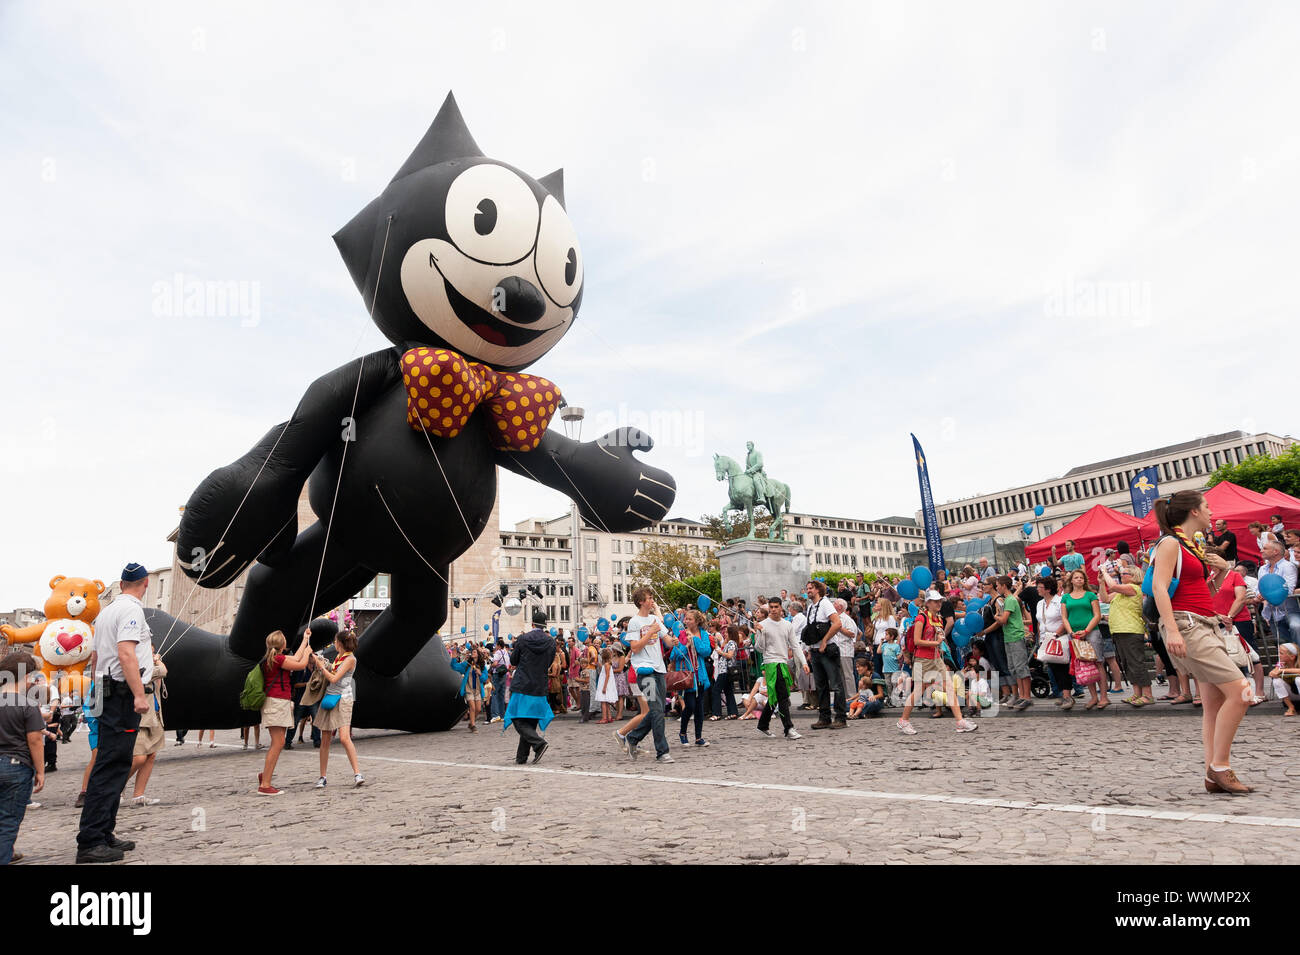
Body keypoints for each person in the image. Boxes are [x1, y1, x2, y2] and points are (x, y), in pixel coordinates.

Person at [1151, 490, 1255, 794]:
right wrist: (1171, 630)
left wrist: (1220, 573)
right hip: (1188, 625)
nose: (1211, 512)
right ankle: (1221, 766)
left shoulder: (1191, 545)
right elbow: (1159, 587)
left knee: (1214, 704)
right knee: (1242, 691)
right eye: (1207, 507)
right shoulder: (1170, 543)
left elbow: (1199, 592)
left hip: (1204, 622)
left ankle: (1212, 774)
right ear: (1194, 512)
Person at [76, 562, 153, 865]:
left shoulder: (106, 612)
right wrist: (137, 695)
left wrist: (97, 697)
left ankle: (104, 832)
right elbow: (126, 653)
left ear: (122, 584)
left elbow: (95, 657)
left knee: (116, 763)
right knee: (111, 765)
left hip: (105, 688)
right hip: (121, 693)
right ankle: (91, 841)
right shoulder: (132, 610)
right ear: (145, 583)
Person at [897, 591, 978, 734]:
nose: (938, 603)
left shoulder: (938, 619)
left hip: (936, 658)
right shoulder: (921, 618)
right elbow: (917, 641)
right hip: (922, 659)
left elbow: (936, 639)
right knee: (918, 692)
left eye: (940, 601)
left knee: (949, 688)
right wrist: (937, 642)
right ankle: (903, 720)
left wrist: (939, 639)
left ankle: (960, 722)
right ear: (928, 603)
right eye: (935, 601)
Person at [615, 587, 677, 762]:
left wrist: (674, 640)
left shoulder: (656, 618)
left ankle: (633, 739)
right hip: (644, 671)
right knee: (657, 710)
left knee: (657, 710)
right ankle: (663, 751)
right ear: (641, 601)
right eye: (649, 598)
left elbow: (667, 641)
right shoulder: (634, 622)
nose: (652, 601)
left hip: (659, 670)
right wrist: (650, 632)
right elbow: (634, 647)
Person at [0, 650, 46, 865]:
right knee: (8, 820)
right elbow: (35, 740)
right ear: (26, 676)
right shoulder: (26, 704)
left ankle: (6, 851)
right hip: (16, 766)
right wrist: (40, 770)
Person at [256, 628, 314, 795]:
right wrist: (308, 651)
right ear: (282, 644)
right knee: (278, 743)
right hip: (277, 702)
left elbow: (295, 658)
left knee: (278, 742)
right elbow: (300, 664)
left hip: (276, 702)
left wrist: (305, 640)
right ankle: (265, 785)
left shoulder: (272, 658)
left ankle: (265, 776)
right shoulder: (278, 659)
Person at [503, 611, 558, 764]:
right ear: (545, 625)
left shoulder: (523, 639)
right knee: (530, 720)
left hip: (523, 683)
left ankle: (539, 744)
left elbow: (513, 660)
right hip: (539, 684)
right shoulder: (551, 642)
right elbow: (548, 663)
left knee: (516, 717)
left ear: (532, 624)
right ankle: (521, 757)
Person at [313, 630, 363, 789]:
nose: (334, 643)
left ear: (340, 643)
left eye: (335, 641)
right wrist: (320, 661)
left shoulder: (350, 659)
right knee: (325, 739)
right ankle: (322, 776)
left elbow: (334, 678)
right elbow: (333, 673)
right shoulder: (338, 657)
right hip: (331, 697)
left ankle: (357, 773)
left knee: (344, 737)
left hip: (344, 699)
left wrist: (322, 667)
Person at [753, 596, 808, 739]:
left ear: (781, 607)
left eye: (776, 607)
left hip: (783, 662)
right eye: (771, 607)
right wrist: (759, 632)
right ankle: (788, 728)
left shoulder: (787, 625)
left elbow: (795, 645)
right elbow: (759, 648)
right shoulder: (763, 624)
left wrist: (804, 663)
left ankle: (763, 725)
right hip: (771, 663)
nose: (773, 610)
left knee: (776, 696)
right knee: (783, 696)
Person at [1098, 565, 1153, 706]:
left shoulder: (1134, 588)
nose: (1121, 575)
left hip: (1131, 630)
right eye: (1121, 574)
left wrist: (1105, 572)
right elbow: (1104, 598)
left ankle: (1147, 694)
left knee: (1136, 662)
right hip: (1119, 630)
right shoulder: (1120, 592)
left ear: (1133, 576)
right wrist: (1100, 583)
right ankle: (1136, 693)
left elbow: (1114, 586)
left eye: (1124, 573)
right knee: (1128, 664)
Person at [1210, 558, 1263, 705]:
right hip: (1218, 621)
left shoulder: (1234, 576)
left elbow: (1240, 598)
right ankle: (1238, 694)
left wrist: (1229, 616)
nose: (1211, 563)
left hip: (1239, 619)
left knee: (1250, 655)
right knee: (1229, 658)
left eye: (1213, 559)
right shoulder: (1209, 579)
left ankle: (1259, 691)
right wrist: (1219, 617)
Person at [123, 651, 168, 806]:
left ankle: (139, 795)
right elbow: (163, 671)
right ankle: (116, 786)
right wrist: (157, 661)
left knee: (151, 755)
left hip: (154, 717)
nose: (152, 654)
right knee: (139, 757)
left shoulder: (149, 669)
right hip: (140, 719)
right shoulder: (139, 669)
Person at [1060, 569, 1107, 709]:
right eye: (1076, 577)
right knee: (1085, 665)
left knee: (1098, 663)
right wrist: (1071, 632)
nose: (1079, 580)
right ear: (1071, 580)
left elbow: (1097, 615)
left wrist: (1086, 630)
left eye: (1081, 577)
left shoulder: (1090, 595)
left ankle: (1104, 696)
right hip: (1074, 634)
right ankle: (1093, 697)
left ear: (1084, 580)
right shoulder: (1066, 597)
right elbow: (1064, 617)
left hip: (1091, 632)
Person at [802, 580, 846, 729]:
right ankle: (824, 717)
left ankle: (840, 717)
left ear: (818, 590)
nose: (808, 591)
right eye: (807, 588)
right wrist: (809, 649)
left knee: (836, 685)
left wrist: (825, 641)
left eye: (811, 589)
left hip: (827, 650)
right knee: (821, 686)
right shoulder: (809, 607)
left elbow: (837, 623)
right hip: (815, 651)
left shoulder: (825, 603)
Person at [669, 611, 712, 747]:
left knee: (699, 707)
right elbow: (675, 655)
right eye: (686, 619)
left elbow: (706, 651)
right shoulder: (681, 634)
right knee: (690, 705)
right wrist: (685, 644)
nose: (686, 621)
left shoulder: (703, 634)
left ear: (697, 621)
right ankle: (683, 732)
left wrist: (694, 639)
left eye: (690, 619)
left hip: (700, 675)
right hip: (687, 676)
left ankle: (698, 737)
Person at [993, 576, 1032, 710]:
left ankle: (1026, 696)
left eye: (998, 585)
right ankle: (1022, 696)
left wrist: (996, 616)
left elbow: (1003, 619)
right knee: (1014, 668)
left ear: (1004, 585)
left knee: (1021, 667)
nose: (997, 587)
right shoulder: (1008, 600)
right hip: (1009, 637)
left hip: (1015, 636)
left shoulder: (1010, 600)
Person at [1257, 539, 1299, 652]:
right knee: (1283, 646)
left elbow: (1288, 589)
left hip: (1290, 610)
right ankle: (1289, 667)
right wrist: (1260, 596)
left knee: (1297, 627)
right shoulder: (1262, 569)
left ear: (1275, 551)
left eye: (1265, 548)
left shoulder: (1288, 566)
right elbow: (1259, 589)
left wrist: (1267, 594)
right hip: (1271, 612)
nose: (1261, 550)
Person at [451, 646, 489, 732]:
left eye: (474, 652)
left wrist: (480, 674)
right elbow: (455, 667)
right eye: (472, 652)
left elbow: (485, 679)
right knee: (472, 707)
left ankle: (471, 723)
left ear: (478, 655)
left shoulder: (482, 666)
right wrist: (453, 658)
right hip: (468, 688)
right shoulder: (467, 665)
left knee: (478, 709)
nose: (473, 653)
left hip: (478, 690)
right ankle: (473, 725)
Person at [1269, 643, 1300, 715]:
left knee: (1298, 680)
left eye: (1281, 653)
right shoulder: (1281, 663)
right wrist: (1274, 673)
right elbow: (1272, 673)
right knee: (1276, 681)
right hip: (1292, 695)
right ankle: (1291, 707)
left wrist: (1283, 671)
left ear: (1292, 656)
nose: (1279, 655)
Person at [489, 640, 511, 724]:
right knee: (501, 695)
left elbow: (495, 663)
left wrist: (491, 666)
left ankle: (495, 715)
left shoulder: (498, 652)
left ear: (498, 645)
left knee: (494, 694)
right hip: (504, 674)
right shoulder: (506, 652)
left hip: (497, 674)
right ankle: (502, 715)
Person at [595, 647, 618, 723]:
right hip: (606, 684)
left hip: (605, 684)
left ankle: (604, 718)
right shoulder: (607, 664)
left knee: (603, 702)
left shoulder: (607, 665)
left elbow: (607, 675)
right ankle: (609, 717)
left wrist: (604, 687)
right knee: (606, 701)